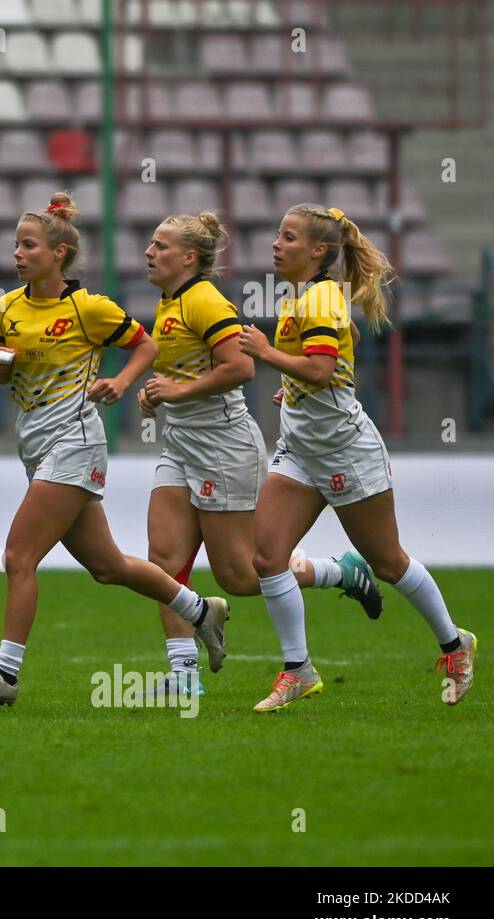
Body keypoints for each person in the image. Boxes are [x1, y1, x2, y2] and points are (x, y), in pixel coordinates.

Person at [0, 191, 229, 707]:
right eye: (16, 245)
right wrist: (0, 367)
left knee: (18, 556)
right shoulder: (4, 307)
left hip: (75, 442)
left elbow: (144, 345)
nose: (17, 253)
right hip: (36, 444)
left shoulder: (89, 308)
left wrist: (121, 383)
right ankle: (197, 609)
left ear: (58, 253)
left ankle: (6, 675)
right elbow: (0, 365)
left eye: (29, 245)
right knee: (108, 568)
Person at [238, 204, 477, 712]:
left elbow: (321, 370)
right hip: (301, 450)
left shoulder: (322, 298)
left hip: (347, 450)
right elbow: (322, 372)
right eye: (278, 235)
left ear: (318, 251)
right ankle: (298, 671)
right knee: (266, 558)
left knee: (388, 561)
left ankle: (456, 647)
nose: (276, 244)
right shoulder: (302, 296)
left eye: (288, 237)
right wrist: (291, 388)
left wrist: (266, 354)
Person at [138, 212, 381, 700]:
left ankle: (338, 570)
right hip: (181, 442)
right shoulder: (168, 301)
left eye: (160, 245)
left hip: (222, 444)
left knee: (240, 574)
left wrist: (176, 390)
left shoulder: (205, 300)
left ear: (188, 257)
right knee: (164, 560)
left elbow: (241, 367)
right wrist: (157, 393)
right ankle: (184, 676)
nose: (148, 251)